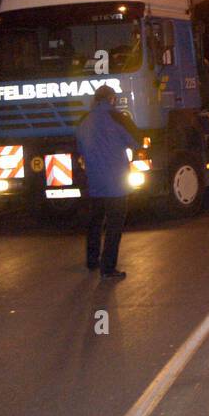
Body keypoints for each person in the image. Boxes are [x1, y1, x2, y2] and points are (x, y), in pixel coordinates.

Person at [75, 85, 136, 280]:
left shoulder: (84, 121)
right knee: (114, 226)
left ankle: (92, 261)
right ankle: (108, 268)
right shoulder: (118, 117)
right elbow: (136, 140)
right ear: (111, 99)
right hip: (116, 183)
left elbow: (80, 148)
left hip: (94, 182)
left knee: (95, 221)